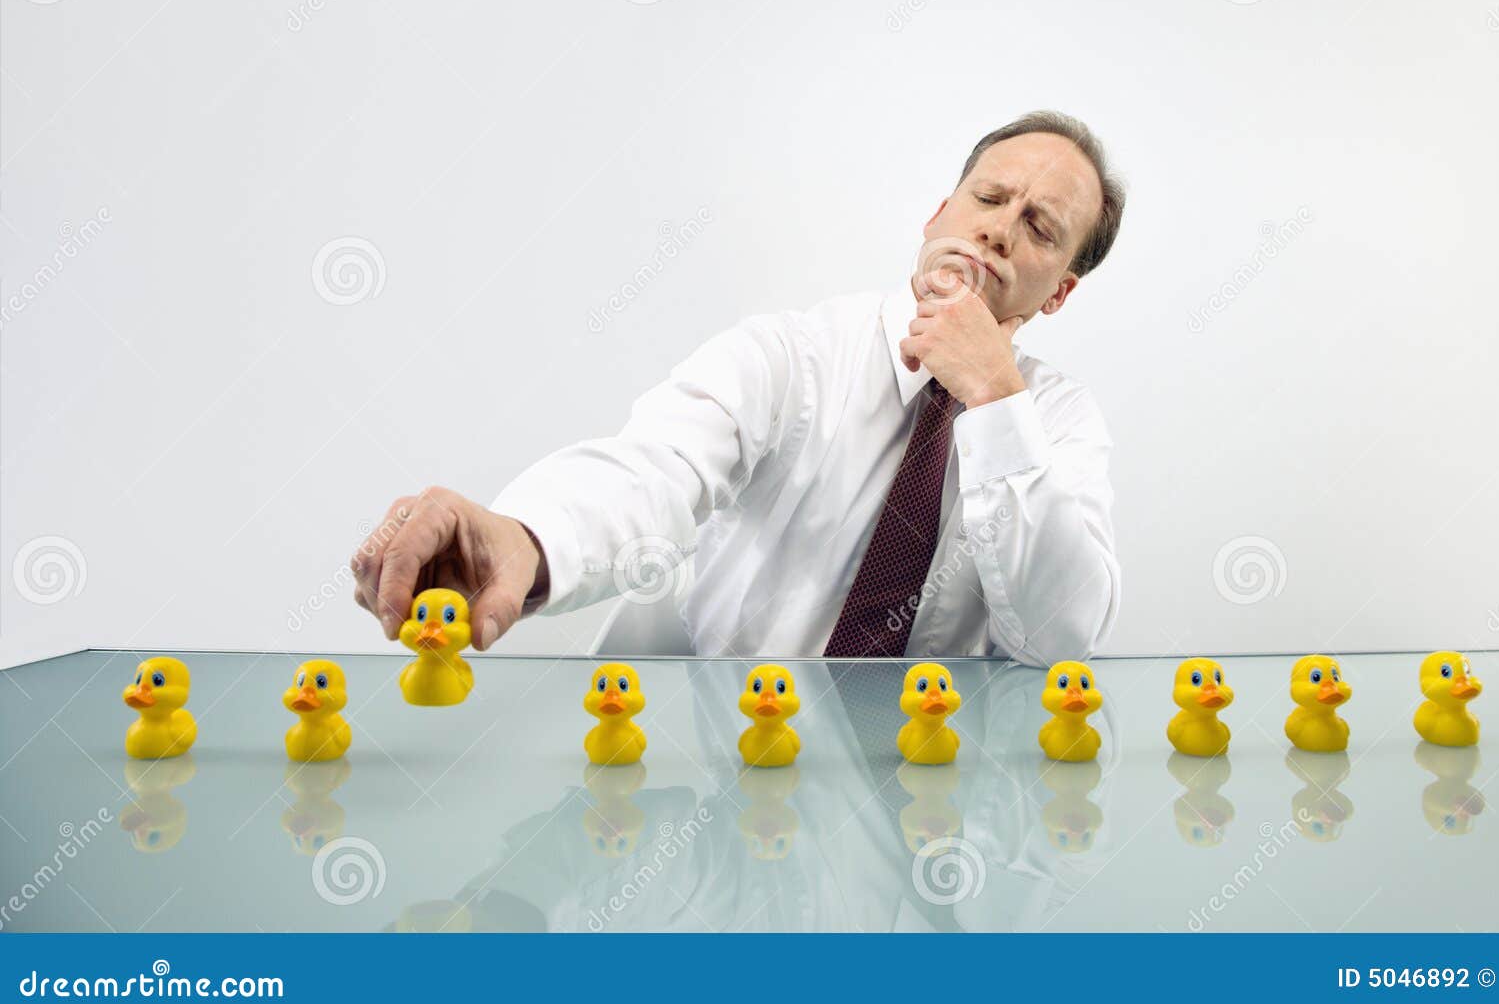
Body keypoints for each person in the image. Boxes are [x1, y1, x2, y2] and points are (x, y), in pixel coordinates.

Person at [351, 110, 1126, 666]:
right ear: (938, 214)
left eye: (1041, 227)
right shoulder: (793, 356)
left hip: (925, 816)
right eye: (989, 199)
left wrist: (994, 396)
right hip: (731, 787)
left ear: (1057, 292)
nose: (1000, 229)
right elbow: (655, 470)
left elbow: (1057, 637)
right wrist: (524, 538)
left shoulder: (1057, 421)